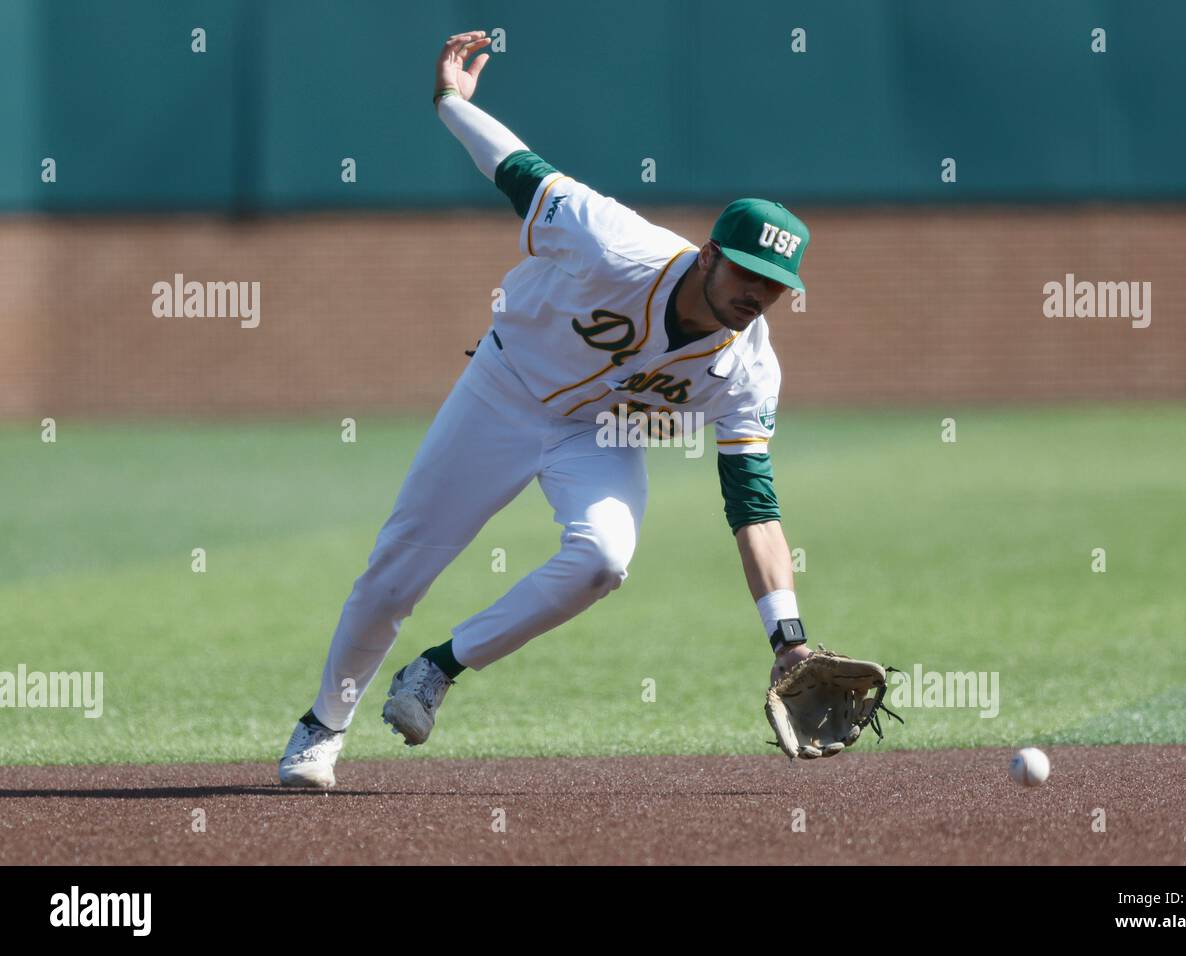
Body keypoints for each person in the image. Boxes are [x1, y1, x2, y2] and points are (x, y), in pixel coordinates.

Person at [279, 30, 815, 787]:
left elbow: (753, 504)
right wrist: (450, 103)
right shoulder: (614, 244)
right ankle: (321, 727)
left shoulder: (749, 370)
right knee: (396, 574)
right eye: (747, 271)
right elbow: (520, 172)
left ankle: (438, 669)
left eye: (774, 285)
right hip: (502, 393)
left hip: (599, 433)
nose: (756, 293)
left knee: (602, 561)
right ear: (708, 255)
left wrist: (787, 636)